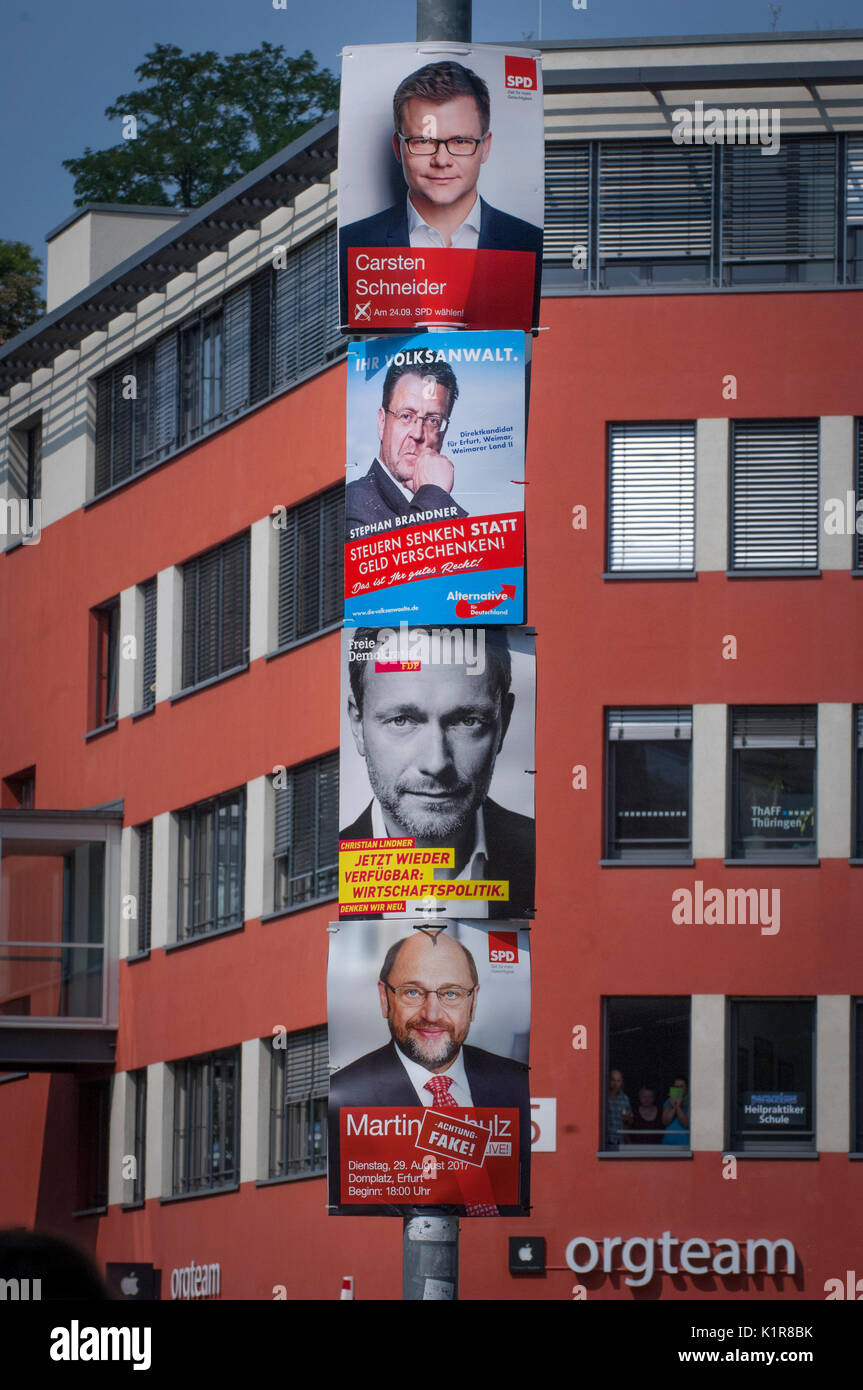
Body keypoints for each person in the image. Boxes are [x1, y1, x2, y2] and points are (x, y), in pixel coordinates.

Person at [328, 926, 530, 1213]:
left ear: (472, 1003)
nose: (432, 1014)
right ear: (385, 998)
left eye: (451, 994)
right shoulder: (345, 1097)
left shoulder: (517, 1085)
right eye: (412, 991)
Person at [341, 625, 535, 917]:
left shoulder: (543, 858)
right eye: (402, 720)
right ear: (358, 725)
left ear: (503, 723)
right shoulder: (322, 875)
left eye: (468, 721)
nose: (436, 763)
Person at [339, 60, 542, 324]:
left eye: (460, 141)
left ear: (485, 147)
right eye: (423, 141)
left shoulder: (528, 243)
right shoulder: (353, 245)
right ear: (397, 148)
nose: (442, 160)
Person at [346, 358, 467, 539]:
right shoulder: (353, 503)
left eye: (433, 420)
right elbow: (407, 564)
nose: (417, 434)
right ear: (382, 422)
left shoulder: (441, 502)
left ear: (443, 433)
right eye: (406, 416)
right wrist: (433, 492)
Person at [605, 1068, 632, 1151]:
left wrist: (627, 1118)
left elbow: (629, 1121)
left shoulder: (625, 1098)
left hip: (620, 1143)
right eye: (613, 1080)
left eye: (618, 1081)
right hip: (605, 1143)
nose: (615, 1084)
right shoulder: (603, 1097)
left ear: (622, 1083)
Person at [662, 1076, 691, 1146]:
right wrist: (674, 1106)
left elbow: (685, 1123)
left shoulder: (690, 1102)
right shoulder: (668, 1101)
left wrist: (678, 1107)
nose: (678, 1089)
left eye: (681, 1087)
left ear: (686, 1088)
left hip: (684, 1143)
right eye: (676, 1087)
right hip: (668, 1142)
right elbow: (665, 1122)